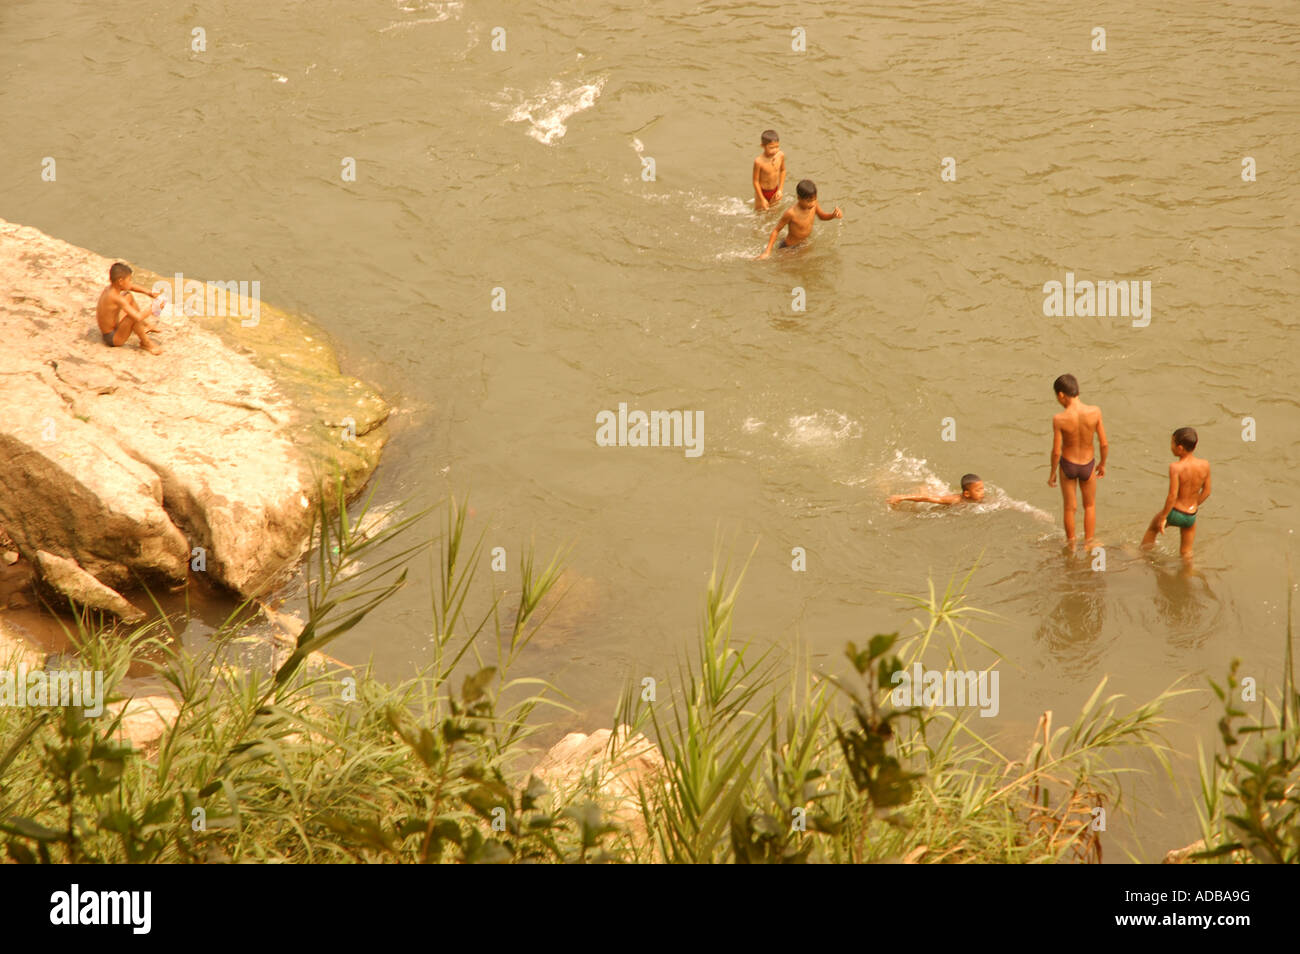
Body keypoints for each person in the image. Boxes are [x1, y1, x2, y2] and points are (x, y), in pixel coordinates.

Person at [1048, 373, 1107, 547]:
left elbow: (1056, 451)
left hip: (1068, 464)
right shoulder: (1095, 412)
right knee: (1089, 505)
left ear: (1061, 395)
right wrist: (1102, 464)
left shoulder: (1059, 419)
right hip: (1087, 465)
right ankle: (1089, 542)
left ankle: (1071, 543)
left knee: (1069, 507)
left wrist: (1052, 474)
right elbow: (1104, 443)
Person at [1142, 427, 1211, 560]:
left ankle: (1142, 557)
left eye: (1172, 443)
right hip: (1191, 515)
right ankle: (1188, 573)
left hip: (1175, 511)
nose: (1171, 446)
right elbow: (1207, 491)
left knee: (1152, 529)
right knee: (1186, 552)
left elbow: (1172, 496)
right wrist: (1193, 505)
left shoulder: (1176, 467)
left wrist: (1163, 517)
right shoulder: (1205, 465)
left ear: (1179, 448)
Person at [757, 179, 842, 258]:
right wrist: (767, 251)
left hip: (804, 243)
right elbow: (776, 230)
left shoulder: (814, 204)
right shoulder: (791, 213)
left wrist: (832, 215)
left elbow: (821, 216)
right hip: (788, 247)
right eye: (808, 201)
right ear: (799, 198)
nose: (812, 204)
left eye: (814, 199)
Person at [96, 262, 162, 354]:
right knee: (133, 317)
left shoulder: (110, 289)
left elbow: (130, 287)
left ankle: (144, 326)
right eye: (129, 280)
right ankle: (145, 343)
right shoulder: (116, 298)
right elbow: (138, 316)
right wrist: (155, 307)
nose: (131, 282)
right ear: (120, 281)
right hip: (112, 338)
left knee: (128, 296)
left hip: (112, 327)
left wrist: (148, 292)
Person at [888, 474, 985, 507]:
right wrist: (901, 497)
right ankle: (921, 487)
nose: (982, 492)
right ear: (967, 493)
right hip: (942, 502)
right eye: (978, 490)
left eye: (982, 488)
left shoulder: (980, 499)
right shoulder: (955, 500)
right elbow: (928, 498)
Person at [753, 129, 786, 211]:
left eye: (777, 147)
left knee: (773, 214)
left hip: (775, 190)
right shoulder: (759, 162)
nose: (775, 150)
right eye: (771, 148)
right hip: (762, 192)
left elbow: (783, 171)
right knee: (759, 215)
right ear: (762, 146)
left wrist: (780, 190)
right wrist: (762, 198)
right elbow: (755, 181)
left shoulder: (780, 155)